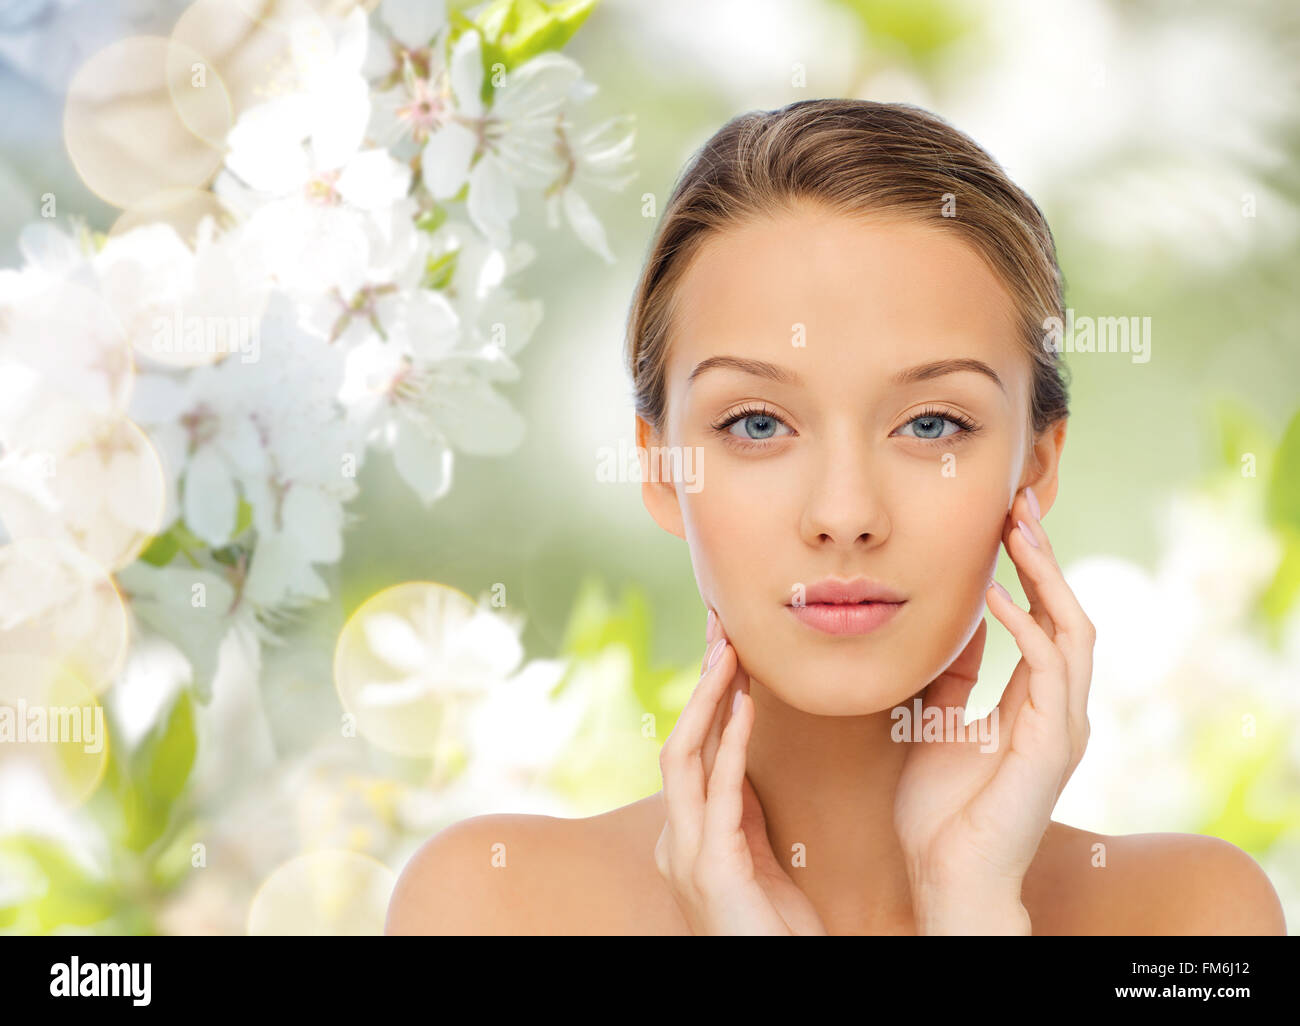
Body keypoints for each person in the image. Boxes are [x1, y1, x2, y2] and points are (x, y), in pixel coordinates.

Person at [386, 99, 1286, 935]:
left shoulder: (1193, 918)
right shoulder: (493, 904)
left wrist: (969, 906)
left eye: (931, 423)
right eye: (758, 424)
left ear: (1035, 466)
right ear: (661, 467)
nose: (845, 515)